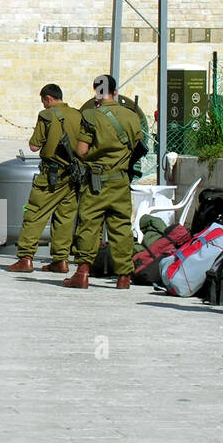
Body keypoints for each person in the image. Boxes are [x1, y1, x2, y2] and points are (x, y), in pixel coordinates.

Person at [63, 74, 143, 290]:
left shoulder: (91, 116)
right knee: (121, 227)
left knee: (89, 225)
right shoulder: (131, 116)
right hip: (121, 181)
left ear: (96, 92)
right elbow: (136, 145)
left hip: (97, 182)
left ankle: (82, 273)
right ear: (115, 91)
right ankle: (124, 276)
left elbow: (81, 150)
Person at [8, 83, 82, 274]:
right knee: (65, 218)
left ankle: (25, 258)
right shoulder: (78, 115)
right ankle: (61, 260)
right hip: (72, 175)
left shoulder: (47, 115)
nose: (43, 105)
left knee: (35, 213)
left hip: (51, 175)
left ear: (48, 98)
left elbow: (34, 146)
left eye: (43, 102)